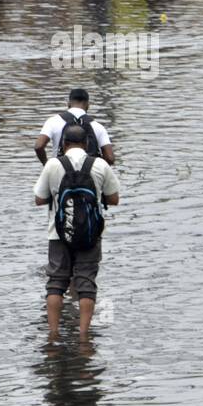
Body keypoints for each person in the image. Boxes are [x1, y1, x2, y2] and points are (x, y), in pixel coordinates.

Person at [33, 125, 121, 339]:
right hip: (90, 234)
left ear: (63, 144)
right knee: (86, 283)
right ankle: (84, 336)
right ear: (87, 144)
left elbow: (39, 199)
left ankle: (53, 334)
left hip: (58, 233)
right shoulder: (99, 164)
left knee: (56, 282)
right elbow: (114, 199)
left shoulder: (53, 164)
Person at [35, 88, 115, 165]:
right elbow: (110, 158)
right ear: (88, 105)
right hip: (88, 176)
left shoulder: (53, 122)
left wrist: (46, 165)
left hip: (61, 173)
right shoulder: (97, 126)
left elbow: (38, 146)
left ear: (68, 104)